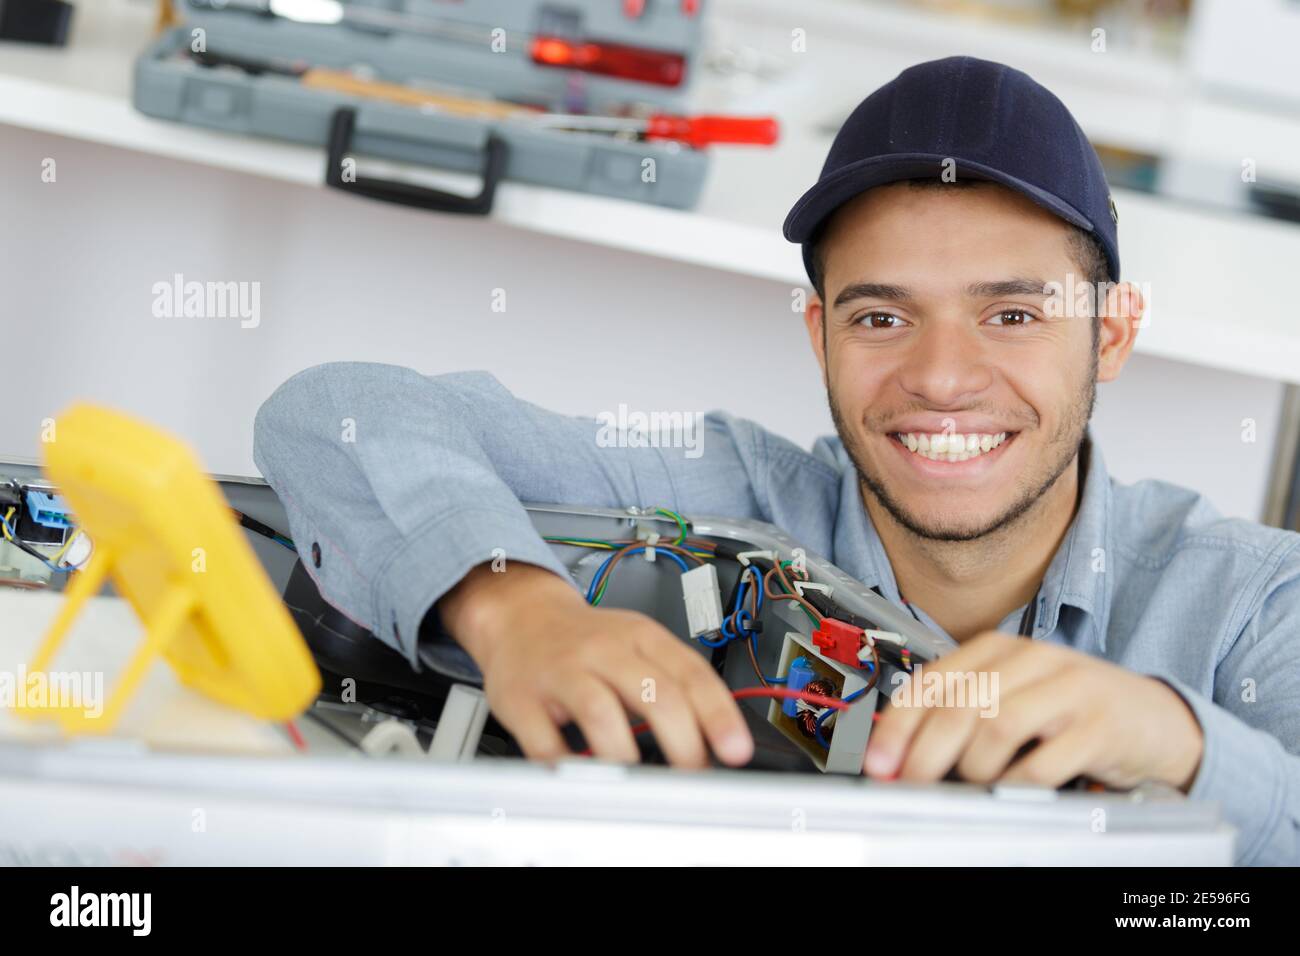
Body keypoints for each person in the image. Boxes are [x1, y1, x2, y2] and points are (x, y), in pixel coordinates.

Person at [254, 57, 1299, 865]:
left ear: (1110, 334)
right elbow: (338, 411)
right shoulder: (726, 496)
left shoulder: (1253, 600)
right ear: (819, 335)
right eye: (881, 315)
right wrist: (519, 611)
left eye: (1013, 313)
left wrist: (1177, 740)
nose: (941, 377)